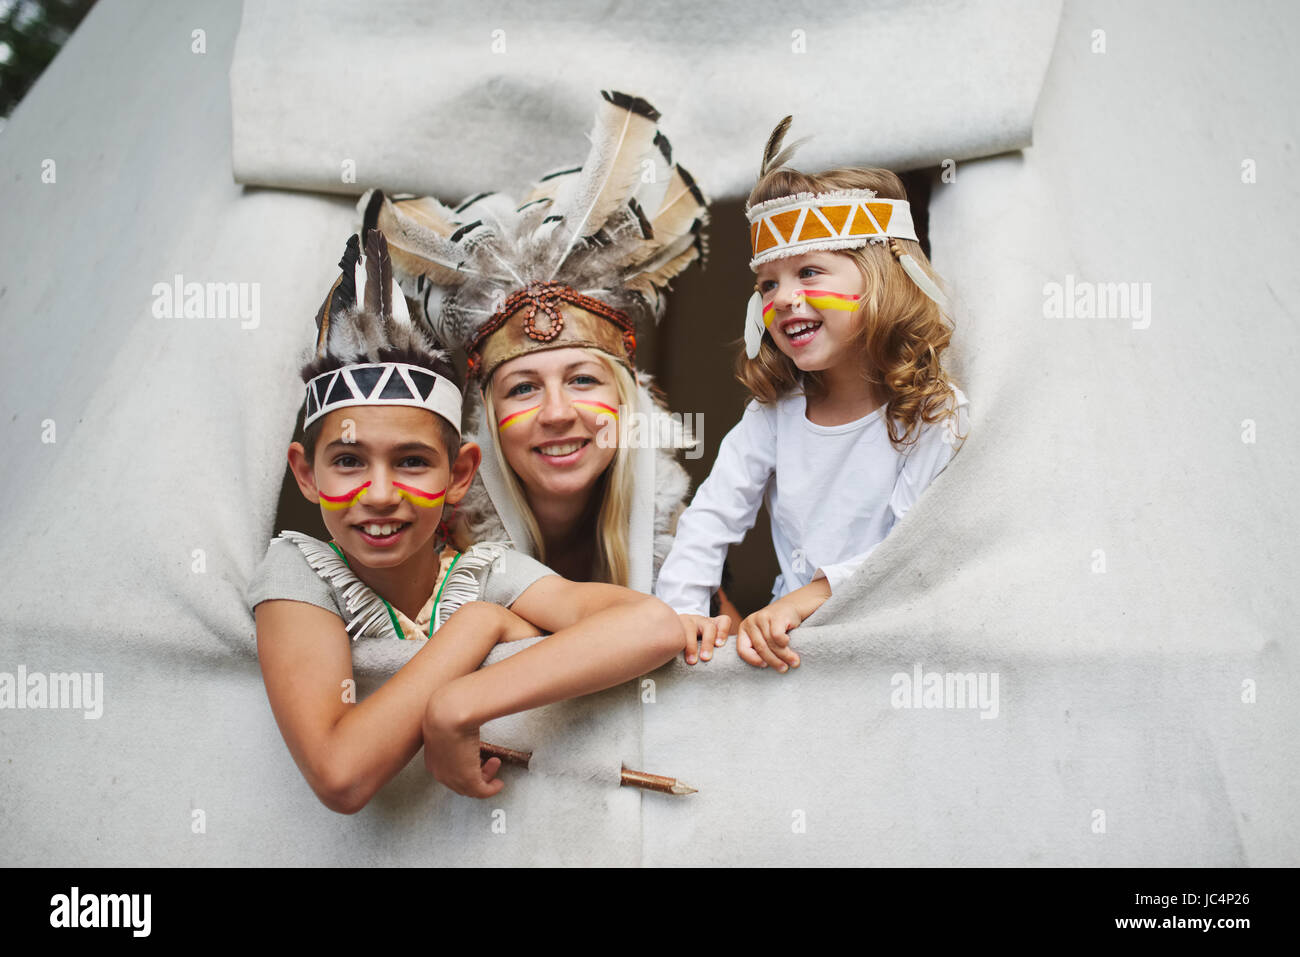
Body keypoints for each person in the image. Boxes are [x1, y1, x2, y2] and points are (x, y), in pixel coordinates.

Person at [247, 230, 682, 811]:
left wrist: (457, 705)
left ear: (458, 476)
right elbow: (341, 774)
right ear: (305, 474)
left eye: (411, 462)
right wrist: (479, 629)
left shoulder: (486, 571)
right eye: (349, 461)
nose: (379, 494)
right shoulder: (298, 572)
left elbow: (653, 626)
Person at [361, 90, 734, 631]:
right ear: (485, 422)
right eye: (523, 389)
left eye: (583, 379)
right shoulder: (427, 548)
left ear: (628, 407)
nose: (557, 413)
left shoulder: (675, 535)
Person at [654, 116, 971, 671]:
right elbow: (711, 516)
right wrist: (681, 611)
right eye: (768, 284)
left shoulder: (935, 415)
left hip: (898, 647)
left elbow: (908, 552)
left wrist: (805, 599)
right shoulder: (773, 416)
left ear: (880, 279)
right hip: (795, 648)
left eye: (810, 272)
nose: (786, 299)